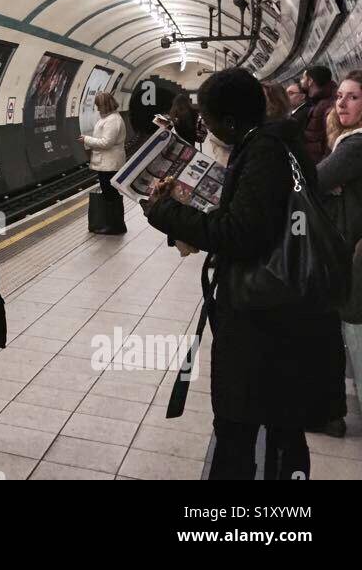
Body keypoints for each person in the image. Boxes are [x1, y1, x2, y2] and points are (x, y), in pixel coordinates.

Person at [144, 68, 346, 479]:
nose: (207, 126)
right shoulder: (278, 144)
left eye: (210, 118)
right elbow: (259, 220)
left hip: (265, 319)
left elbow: (240, 234)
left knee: (240, 427)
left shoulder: (263, 152)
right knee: (283, 428)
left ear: (231, 121)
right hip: (286, 312)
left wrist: (166, 212)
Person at [314, 70, 362, 439]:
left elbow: (315, 181)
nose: (341, 103)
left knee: (349, 324)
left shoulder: (354, 146)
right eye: (341, 96)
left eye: (353, 97)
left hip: (351, 247)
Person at [79, 91, 128, 235]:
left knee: (110, 194)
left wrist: (86, 140)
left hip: (110, 163)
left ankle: (116, 226)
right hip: (106, 162)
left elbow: (107, 142)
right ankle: (114, 224)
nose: (98, 109)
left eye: (99, 106)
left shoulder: (112, 120)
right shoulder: (108, 118)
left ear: (106, 105)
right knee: (110, 194)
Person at [302, 66, 338, 163]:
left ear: (310, 81)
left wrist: (323, 165)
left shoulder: (325, 104)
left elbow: (331, 140)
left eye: (303, 78)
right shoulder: (318, 102)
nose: (301, 81)